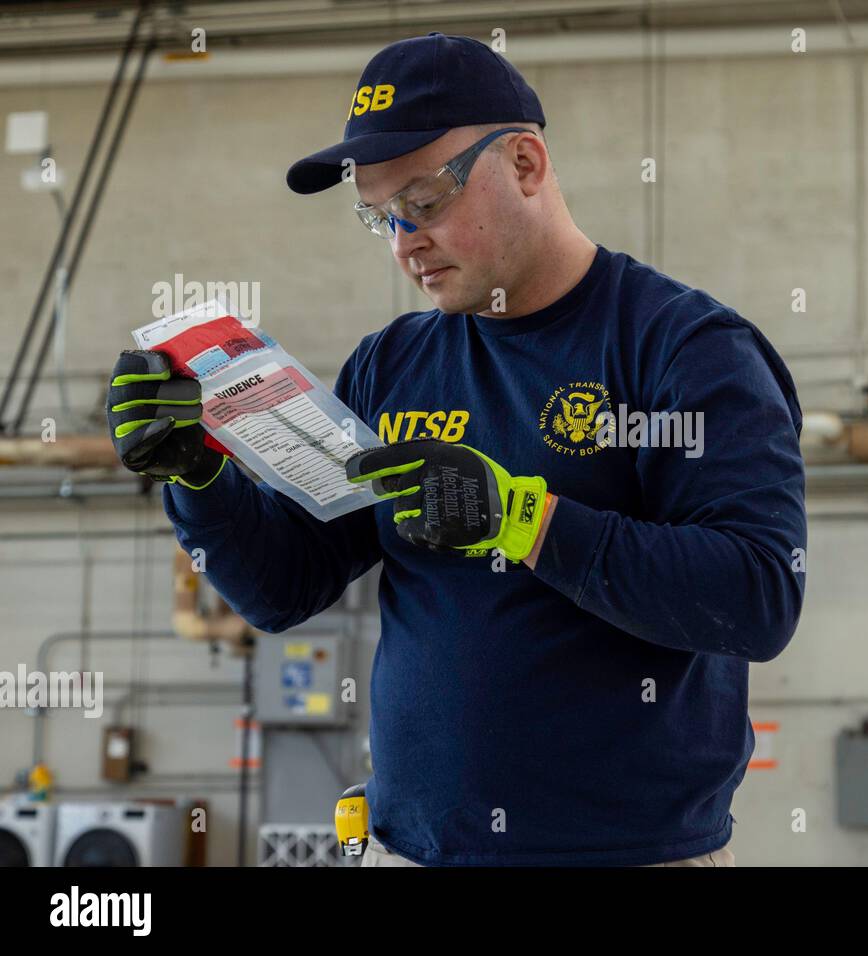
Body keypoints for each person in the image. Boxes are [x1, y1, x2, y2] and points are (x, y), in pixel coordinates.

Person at [106, 32, 806, 867]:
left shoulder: (682, 349)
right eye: (379, 216)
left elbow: (759, 597)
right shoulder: (395, 363)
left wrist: (523, 520)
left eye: (425, 201)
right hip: (411, 850)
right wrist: (201, 475)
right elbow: (285, 588)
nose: (404, 242)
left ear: (525, 164)